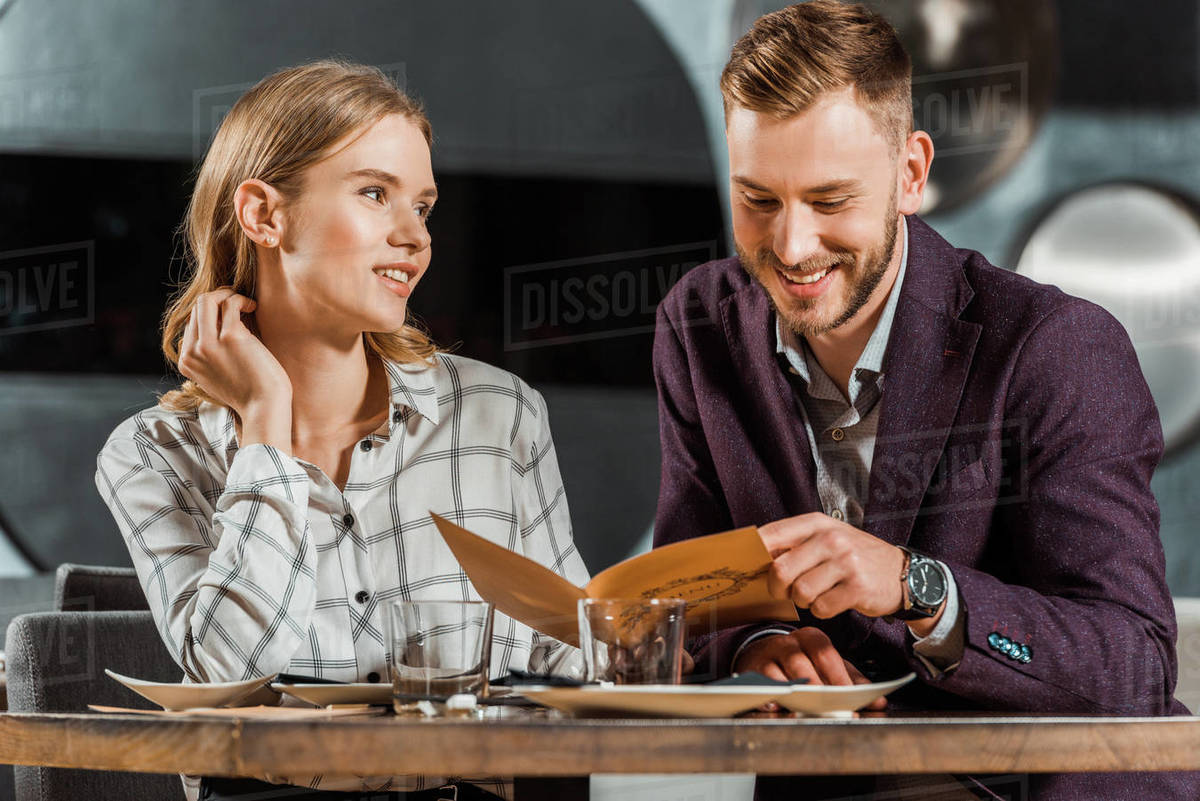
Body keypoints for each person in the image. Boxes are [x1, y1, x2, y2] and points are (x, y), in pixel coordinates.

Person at [651, 2, 1197, 798]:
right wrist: (756, 642)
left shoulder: (1056, 346)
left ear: (911, 174)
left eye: (831, 201)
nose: (792, 246)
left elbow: (1132, 669)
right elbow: (696, 590)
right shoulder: (699, 323)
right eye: (758, 200)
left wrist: (919, 586)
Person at [94, 60, 589, 801]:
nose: (414, 237)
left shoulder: (501, 413)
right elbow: (230, 675)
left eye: (422, 206)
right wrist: (266, 420)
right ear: (263, 215)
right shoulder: (152, 453)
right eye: (374, 193)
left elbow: (573, 668)